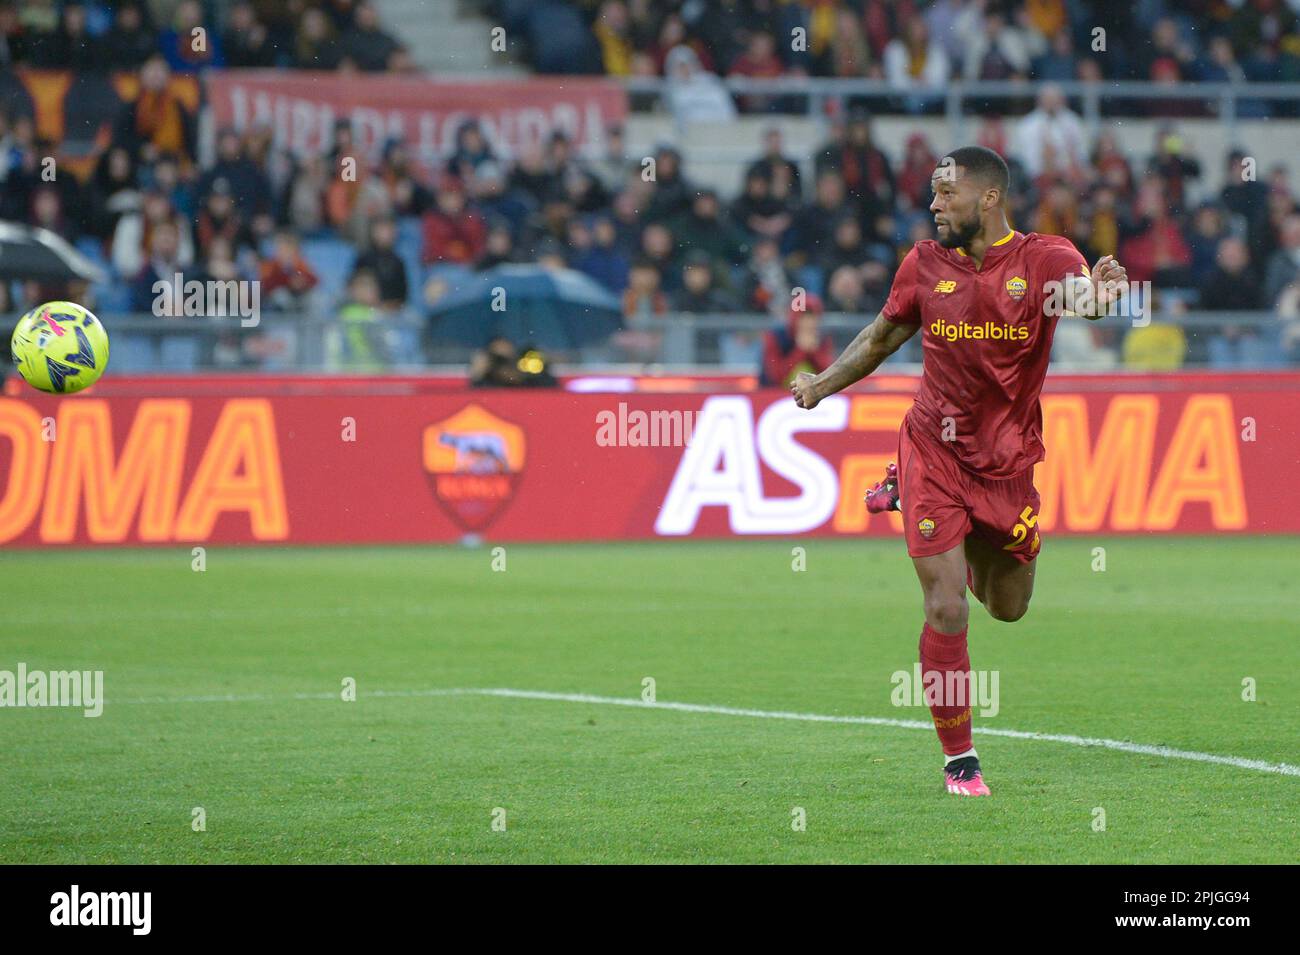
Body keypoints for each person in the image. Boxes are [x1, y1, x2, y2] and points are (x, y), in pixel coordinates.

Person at [789, 147, 1128, 797]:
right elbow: (884, 337)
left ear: (989, 198)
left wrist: (1104, 294)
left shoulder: (1044, 259)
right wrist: (823, 385)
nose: (934, 205)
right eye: (933, 193)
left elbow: (1082, 299)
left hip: (1007, 466)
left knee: (1008, 608)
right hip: (932, 449)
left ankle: (963, 529)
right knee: (945, 605)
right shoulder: (923, 264)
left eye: (947, 193)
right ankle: (960, 760)